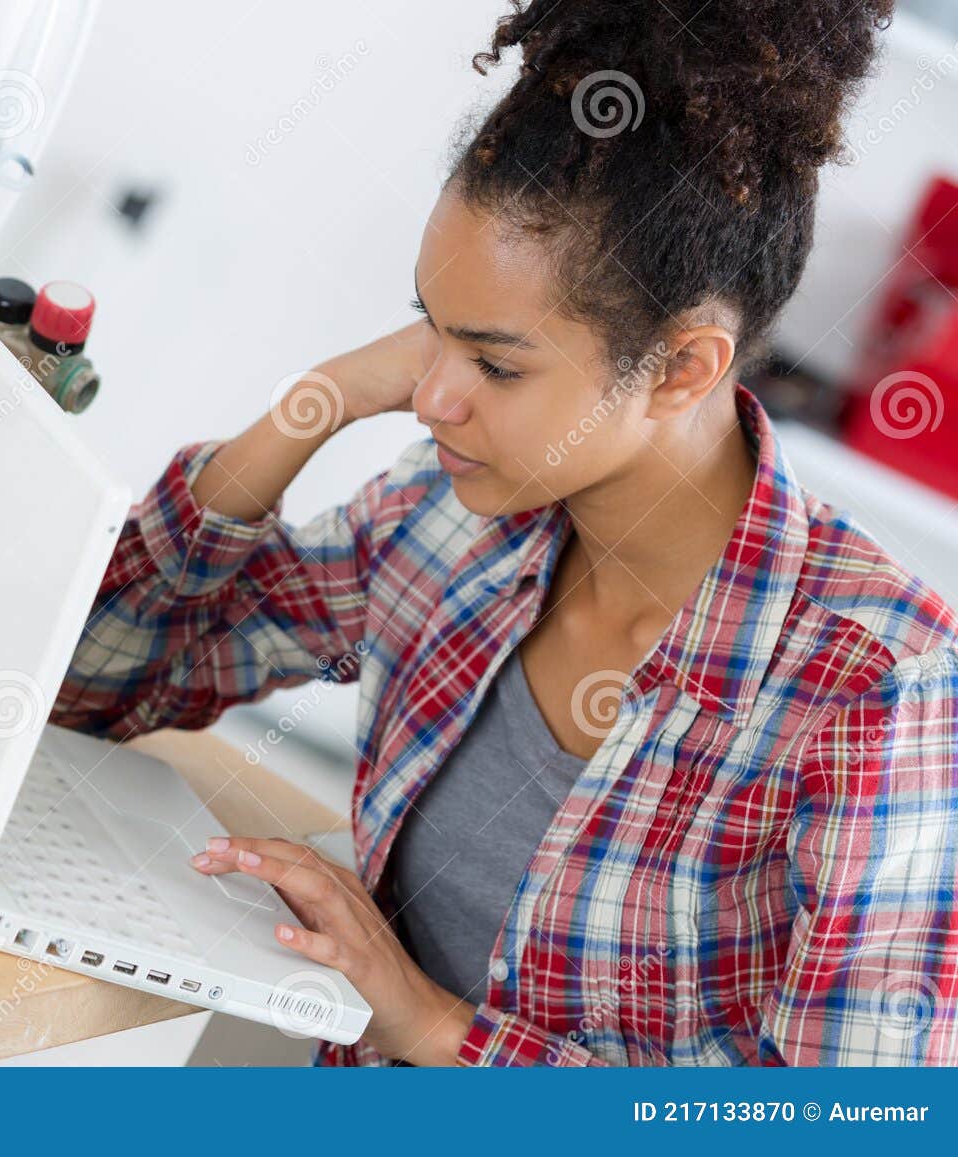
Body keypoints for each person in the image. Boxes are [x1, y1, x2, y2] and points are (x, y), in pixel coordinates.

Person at [50, 0, 958, 1066]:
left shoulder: (877, 679)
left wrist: (436, 1028)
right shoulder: (453, 516)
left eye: (496, 361)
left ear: (680, 369)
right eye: (432, 326)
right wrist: (317, 402)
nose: (432, 394)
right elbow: (91, 682)